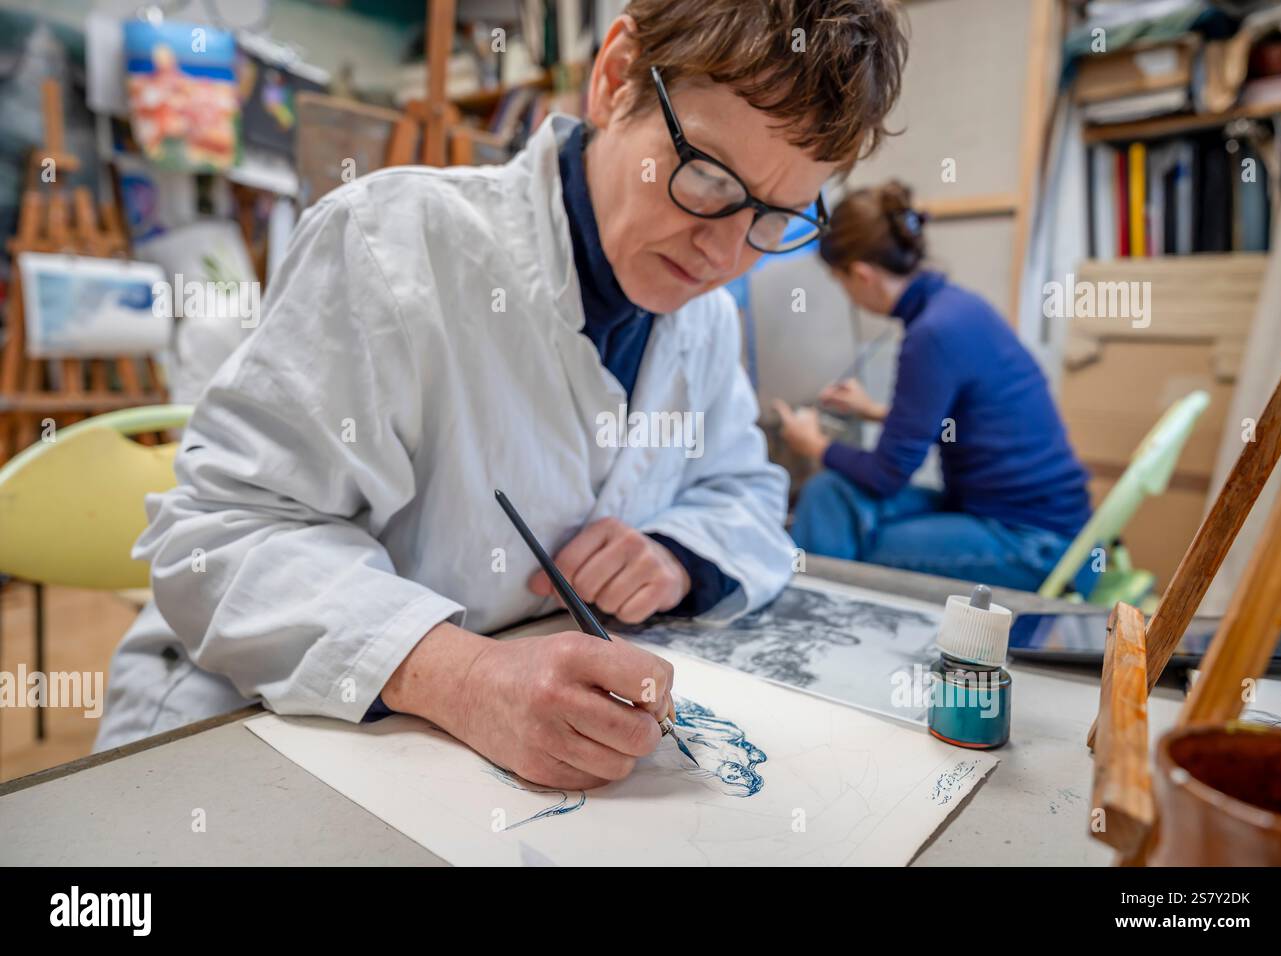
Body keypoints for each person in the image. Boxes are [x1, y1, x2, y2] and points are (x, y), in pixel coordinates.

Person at [95, 1, 910, 790]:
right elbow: (222, 537)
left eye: (778, 218)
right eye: (705, 175)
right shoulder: (392, 243)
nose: (726, 252)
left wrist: (677, 552)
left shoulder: (703, 321)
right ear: (617, 75)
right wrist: (462, 675)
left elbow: (744, 491)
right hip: (245, 735)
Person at [775, 181, 1097, 596]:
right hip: (1000, 512)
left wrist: (815, 445)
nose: (850, 297)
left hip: (1035, 542)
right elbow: (961, 416)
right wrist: (873, 410)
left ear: (862, 274)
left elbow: (886, 476)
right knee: (829, 492)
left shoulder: (932, 333)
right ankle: (814, 600)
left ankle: (813, 617)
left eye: (842, 284)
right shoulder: (956, 306)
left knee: (848, 539)